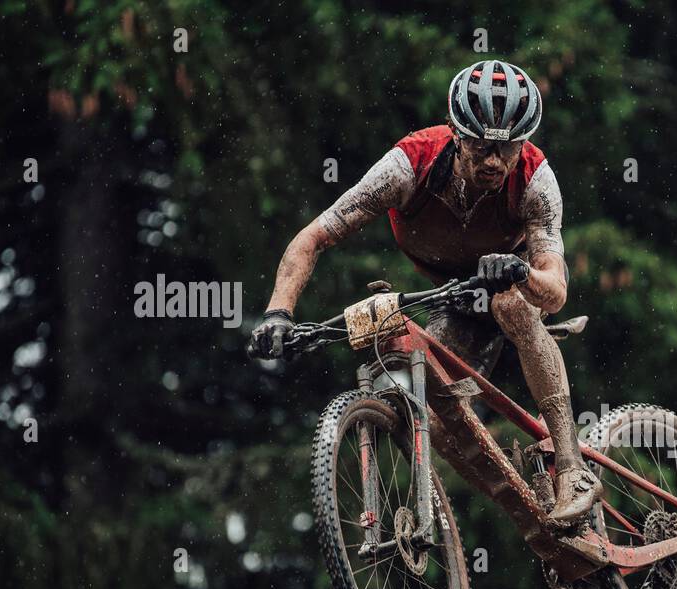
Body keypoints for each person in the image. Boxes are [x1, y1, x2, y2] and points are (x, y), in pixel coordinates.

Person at [248, 59, 600, 528]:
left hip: (514, 298)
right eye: (480, 146)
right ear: (456, 134)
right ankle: (540, 519)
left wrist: (520, 272)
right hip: (455, 304)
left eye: (507, 148)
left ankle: (573, 469)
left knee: (511, 303)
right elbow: (313, 237)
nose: (494, 161)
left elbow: (554, 293)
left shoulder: (535, 180)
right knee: (433, 427)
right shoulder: (409, 165)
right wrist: (279, 311)